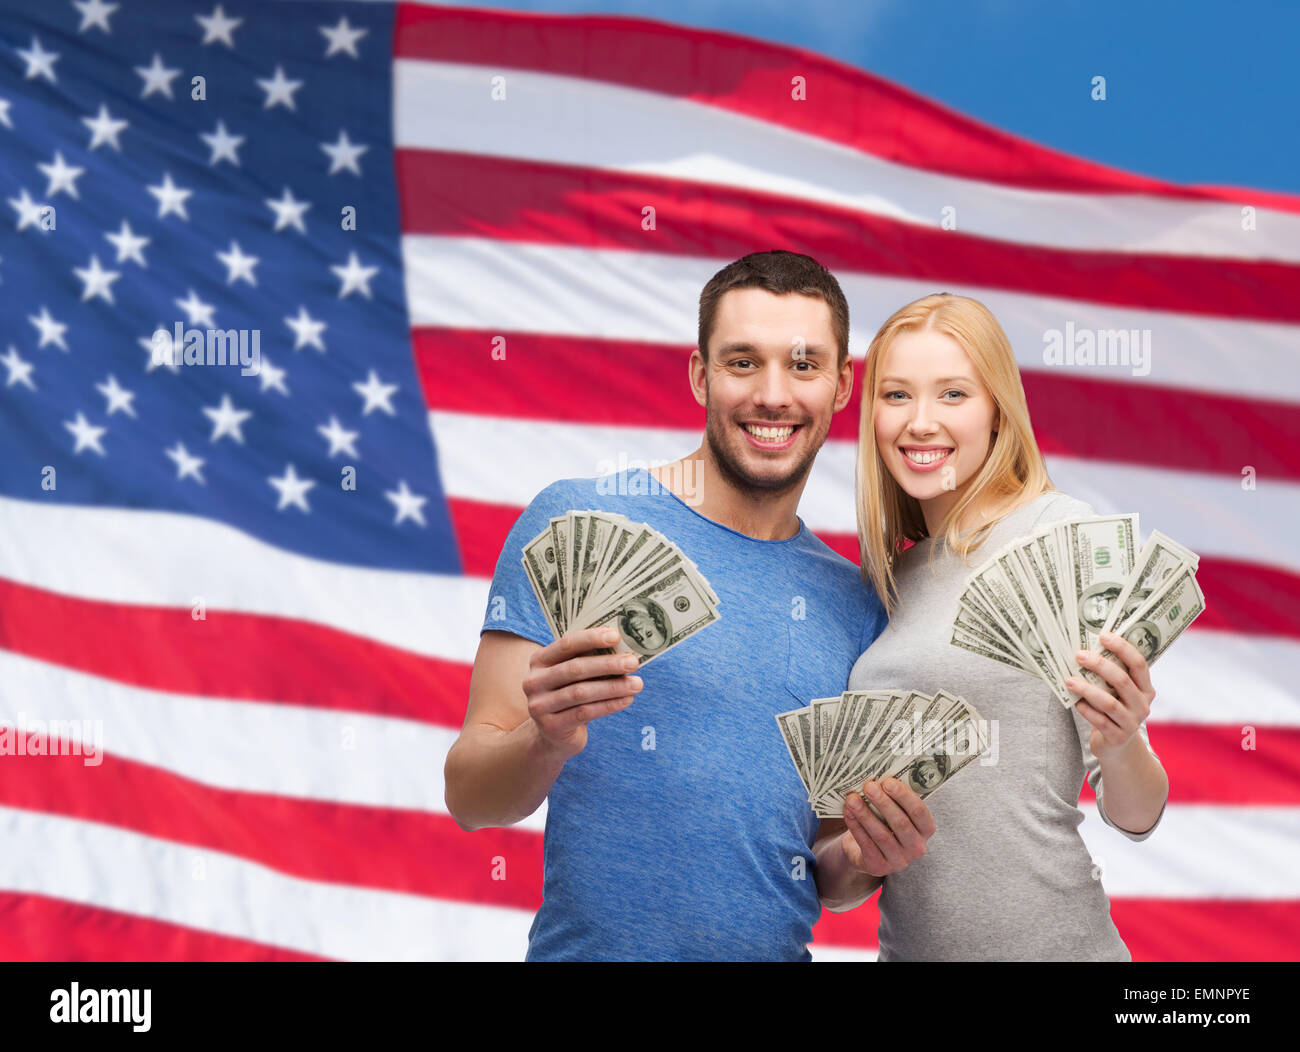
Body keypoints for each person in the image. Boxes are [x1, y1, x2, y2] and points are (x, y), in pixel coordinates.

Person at [444, 251, 935, 961]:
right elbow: (470, 797)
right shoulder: (577, 521)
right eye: (742, 363)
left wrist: (865, 856)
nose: (773, 395)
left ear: (840, 387)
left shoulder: (855, 604)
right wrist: (545, 739)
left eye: (802, 366)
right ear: (701, 376)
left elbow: (826, 863)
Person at [845, 292, 1170, 961]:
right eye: (897, 395)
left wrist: (1121, 737)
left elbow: (1138, 814)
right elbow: (848, 877)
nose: (921, 423)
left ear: (997, 412)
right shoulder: (889, 582)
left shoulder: (1062, 536)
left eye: (954, 394)